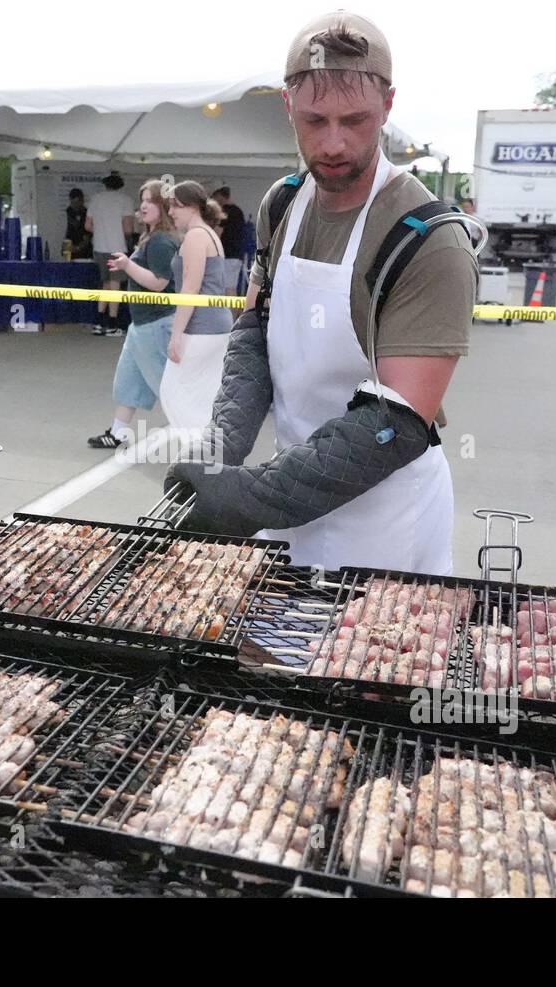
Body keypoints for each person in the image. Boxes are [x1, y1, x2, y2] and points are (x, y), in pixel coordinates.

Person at [165, 11, 477, 576]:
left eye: (354, 120)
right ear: (288, 108)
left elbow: (396, 422)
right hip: (291, 497)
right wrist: (223, 447)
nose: (333, 144)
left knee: (369, 658)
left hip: (386, 518)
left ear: (387, 106)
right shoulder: (282, 205)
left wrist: (244, 497)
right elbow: (254, 329)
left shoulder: (430, 239)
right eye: (315, 121)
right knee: (270, 658)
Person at [86, 180, 180, 449]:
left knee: (168, 387)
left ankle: (198, 435)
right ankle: (118, 433)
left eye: (150, 201)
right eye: (143, 200)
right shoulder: (151, 236)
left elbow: (159, 283)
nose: (143, 205)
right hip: (143, 323)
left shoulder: (161, 240)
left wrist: (127, 265)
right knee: (129, 381)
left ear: (163, 206)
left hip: (156, 322)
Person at [158, 181, 234, 431]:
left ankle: (199, 451)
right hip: (216, 326)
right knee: (203, 396)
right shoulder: (209, 233)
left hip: (201, 327)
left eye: (174, 206)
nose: (170, 212)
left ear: (191, 207)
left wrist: (176, 335)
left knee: (173, 393)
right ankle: (208, 452)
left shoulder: (196, 236)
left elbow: (190, 288)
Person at [85, 173, 136, 335]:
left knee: (105, 283)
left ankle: (99, 322)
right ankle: (113, 324)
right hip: (117, 247)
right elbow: (128, 229)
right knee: (115, 285)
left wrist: (101, 230)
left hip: (99, 246)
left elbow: (88, 225)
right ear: (120, 185)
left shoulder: (96, 199)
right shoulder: (125, 200)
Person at [213, 187, 247, 294]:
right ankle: (235, 311)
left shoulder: (224, 211)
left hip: (227, 255)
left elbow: (217, 233)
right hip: (237, 255)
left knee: (227, 288)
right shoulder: (238, 211)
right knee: (232, 287)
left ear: (219, 196)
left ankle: (230, 311)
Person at [64, 188, 92, 259]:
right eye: (72, 203)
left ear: (82, 201)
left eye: (76, 203)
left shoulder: (87, 214)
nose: (74, 205)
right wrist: (66, 248)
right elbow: (68, 232)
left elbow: (87, 238)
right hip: (69, 249)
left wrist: (77, 248)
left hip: (84, 252)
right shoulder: (69, 211)